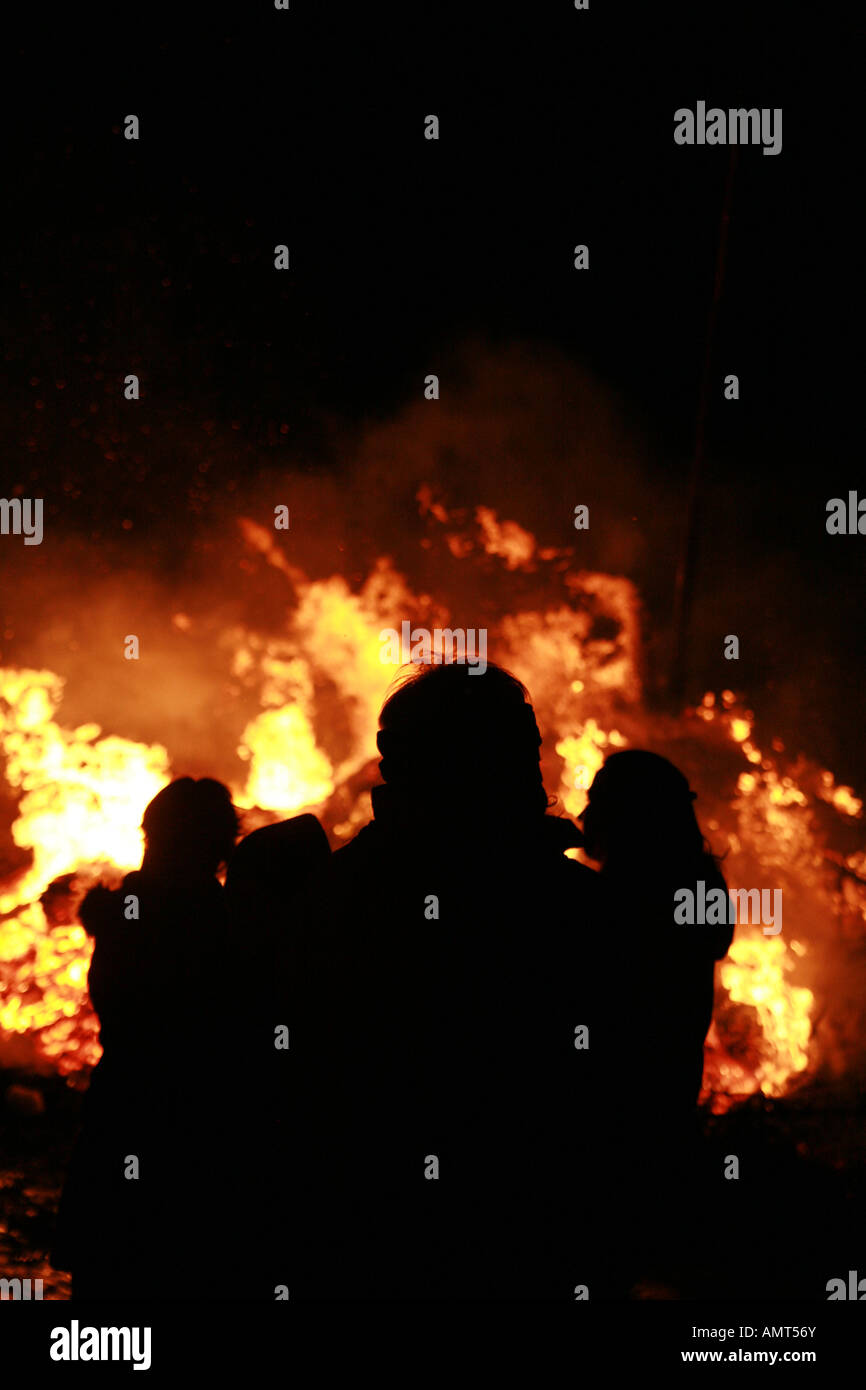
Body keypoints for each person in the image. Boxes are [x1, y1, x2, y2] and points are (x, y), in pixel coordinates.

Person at [281, 661, 600, 1300]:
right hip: (504, 1233)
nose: (536, 772)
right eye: (518, 752)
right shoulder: (573, 908)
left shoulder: (331, 894)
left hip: (369, 1229)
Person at [53, 777, 239, 1299]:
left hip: (126, 1114)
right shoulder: (215, 921)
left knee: (113, 1277)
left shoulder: (129, 914)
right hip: (191, 1129)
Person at [578, 750, 733, 1292]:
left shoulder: (623, 893)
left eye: (598, 802)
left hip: (622, 1093)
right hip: (665, 1084)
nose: (584, 814)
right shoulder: (696, 883)